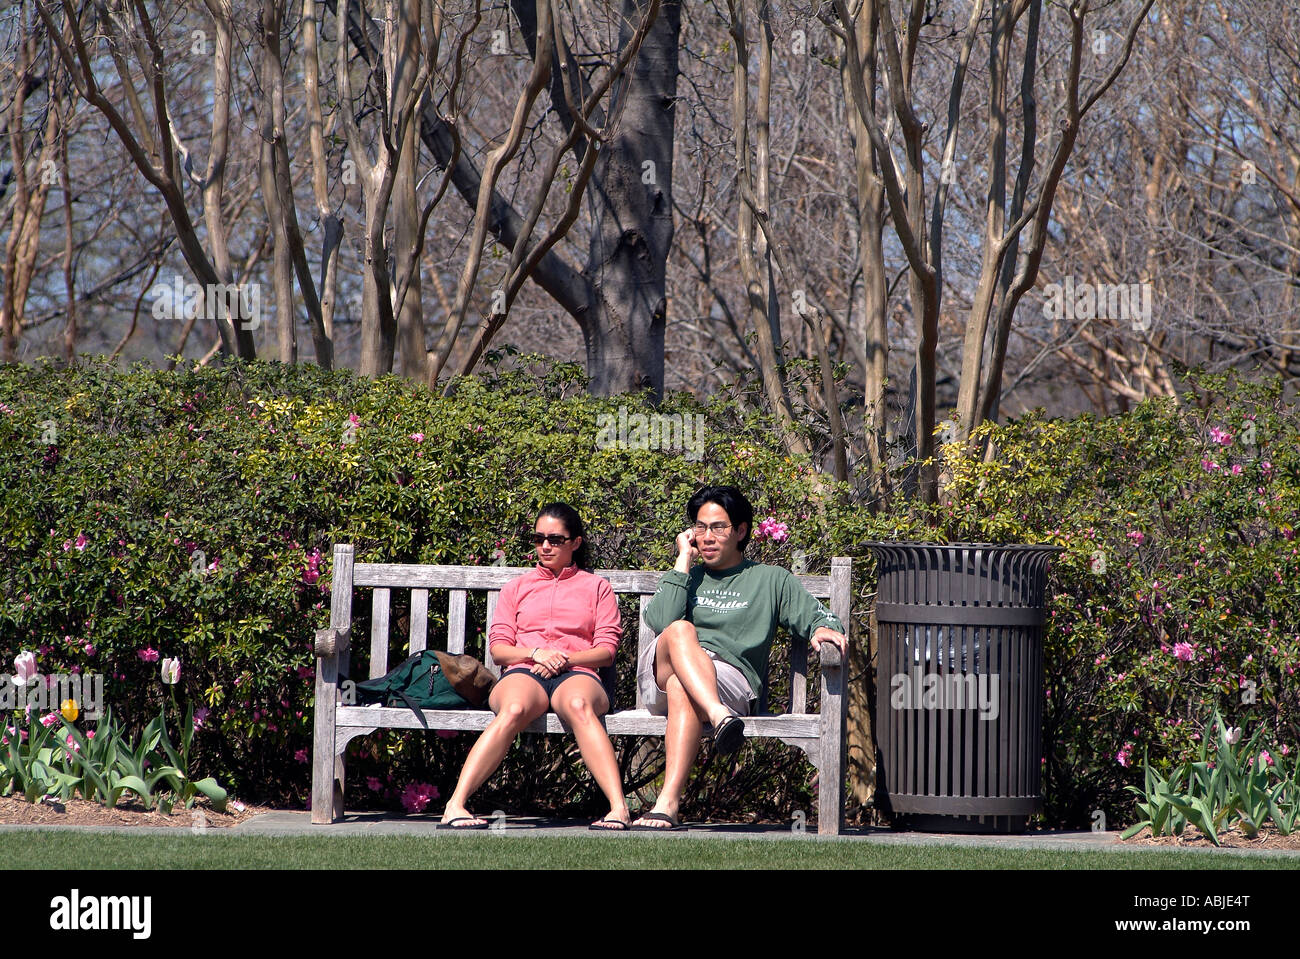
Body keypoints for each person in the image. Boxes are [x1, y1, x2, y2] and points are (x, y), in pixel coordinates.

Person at [631, 485, 847, 830]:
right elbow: (660, 621)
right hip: (671, 674)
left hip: (728, 680)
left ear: (742, 531)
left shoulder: (771, 580)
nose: (707, 537)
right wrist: (683, 560)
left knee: (682, 686)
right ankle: (719, 717)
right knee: (680, 631)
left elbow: (819, 617)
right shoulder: (688, 576)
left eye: (718, 527)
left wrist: (822, 628)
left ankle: (667, 804)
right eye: (700, 527)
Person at [440, 503, 632, 830]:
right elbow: (500, 651)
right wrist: (537, 652)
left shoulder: (596, 587)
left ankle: (618, 809)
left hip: (578, 673)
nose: (545, 546)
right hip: (523, 671)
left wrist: (565, 658)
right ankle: (455, 805)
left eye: (555, 539)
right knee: (513, 708)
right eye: (539, 538)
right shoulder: (517, 588)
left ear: (575, 542)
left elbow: (606, 651)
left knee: (578, 704)